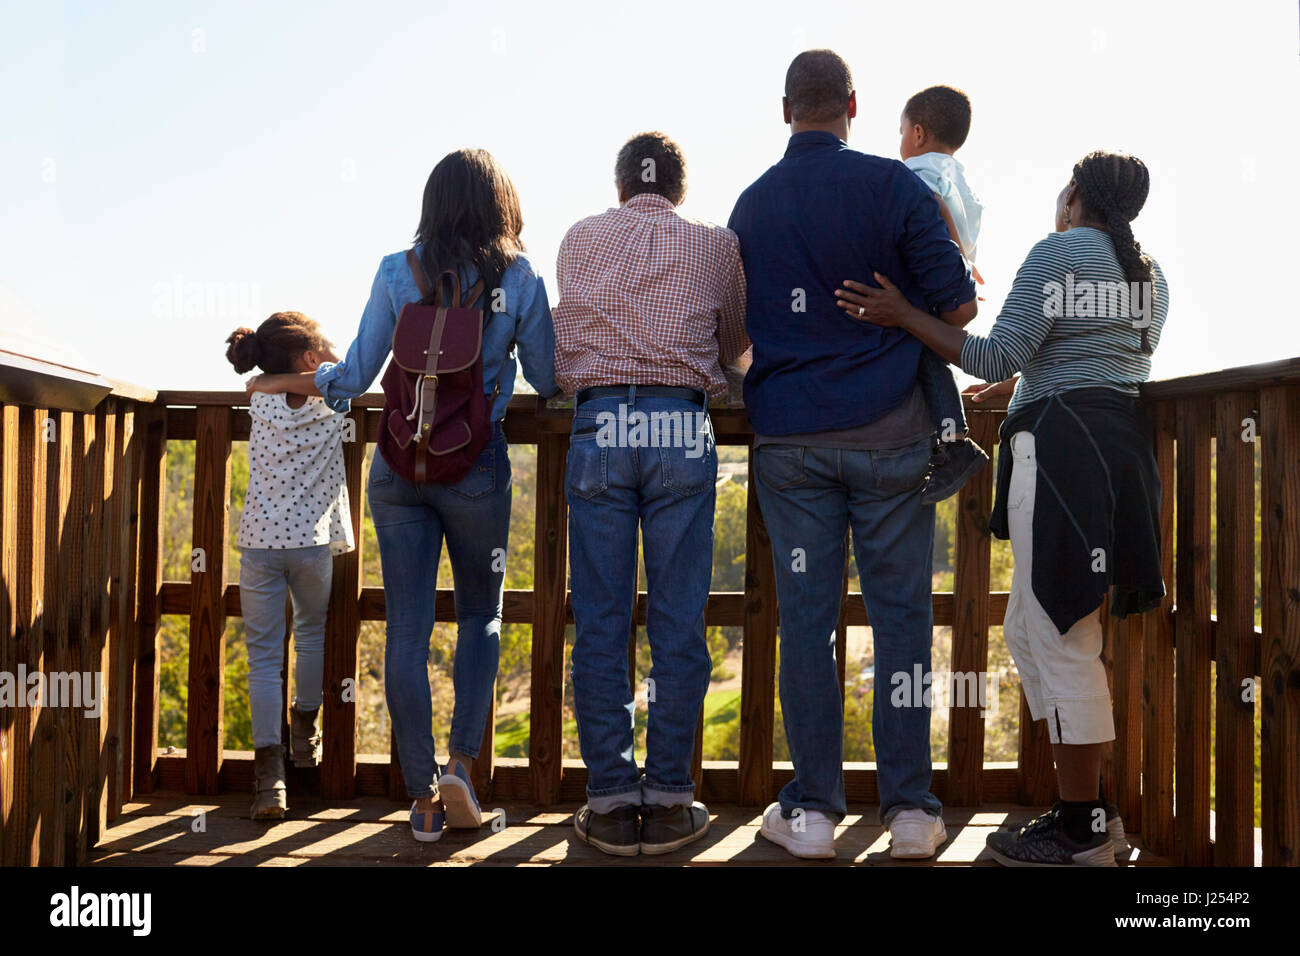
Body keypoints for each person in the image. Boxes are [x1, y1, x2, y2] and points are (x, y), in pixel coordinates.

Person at [835, 149, 1168, 866]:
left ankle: (1081, 829)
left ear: (1074, 193)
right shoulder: (1148, 273)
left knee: (1057, 633)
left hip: (1061, 457)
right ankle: (1089, 812)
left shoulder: (1060, 252)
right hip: (1118, 455)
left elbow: (986, 353)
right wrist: (1018, 388)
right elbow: (1097, 360)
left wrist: (902, 313)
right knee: (1033, 627)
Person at [246, 149, 558, 844]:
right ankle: (463, 771)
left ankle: (420, 798)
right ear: (500, 204)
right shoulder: (519, 273)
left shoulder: (398, 269)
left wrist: (290, 378)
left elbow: (354, 375)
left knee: (408, 628)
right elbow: (547, 374)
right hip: (476, 469)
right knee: (481, 614)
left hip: (395, 471)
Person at [728, 50, 977, 861]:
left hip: (791, 442)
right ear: (853, 106)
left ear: (786, 109)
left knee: (806, 624)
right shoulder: (894, 187)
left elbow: (736, 332)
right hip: (891, 434)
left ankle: (812, 815)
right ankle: (909, 811)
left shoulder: (752, 206)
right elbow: (961, 305)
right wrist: (897, 313)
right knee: (901, 619)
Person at [554, 131, 748, 857]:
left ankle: (608, 801)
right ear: (680, 186)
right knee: (678, 621)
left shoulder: (580, 238)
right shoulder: (715, 243)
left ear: (619, 185)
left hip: (601, 419)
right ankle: (668, 800)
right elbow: (733, 345)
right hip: (680, 422)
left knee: (601, 622)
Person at [226, 312, 355, 820]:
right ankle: (305, 732)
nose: (335, 354)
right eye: (326, 348)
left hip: (259, 543)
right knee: (311, 636)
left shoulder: (259, 400)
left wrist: (274, 379)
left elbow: (283, 383)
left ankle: (269, 780)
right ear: (309, 359)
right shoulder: (334, 402)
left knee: (263, 659)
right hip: (311, 544)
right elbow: (350, 372)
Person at [898, 85, 989, 503]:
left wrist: (954, 258)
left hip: (927, 279)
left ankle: (954, 441)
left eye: (900, 132)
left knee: (925, 355)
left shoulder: (918, 173)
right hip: (949, 278)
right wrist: (967, 264)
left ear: (917, 133)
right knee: (931, 353)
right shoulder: (958, 174)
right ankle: (949, 438)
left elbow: (931, 205)